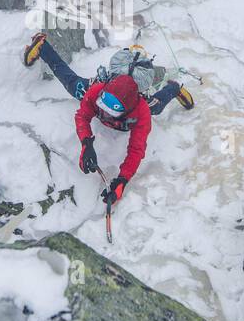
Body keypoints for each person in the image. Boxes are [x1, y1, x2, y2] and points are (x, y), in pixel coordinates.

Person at [22, 32, 193, 205]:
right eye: (102, 109)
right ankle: (43, 48)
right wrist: (86, 144)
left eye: (110, 112)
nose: (103, 115)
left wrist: (122, 180)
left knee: (156, 106)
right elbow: (83, 115)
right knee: (71, 83)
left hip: (136, 108)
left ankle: (173, 88)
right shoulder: (96, 90)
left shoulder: (142, 113)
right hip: (105, 92)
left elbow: (136, 150)